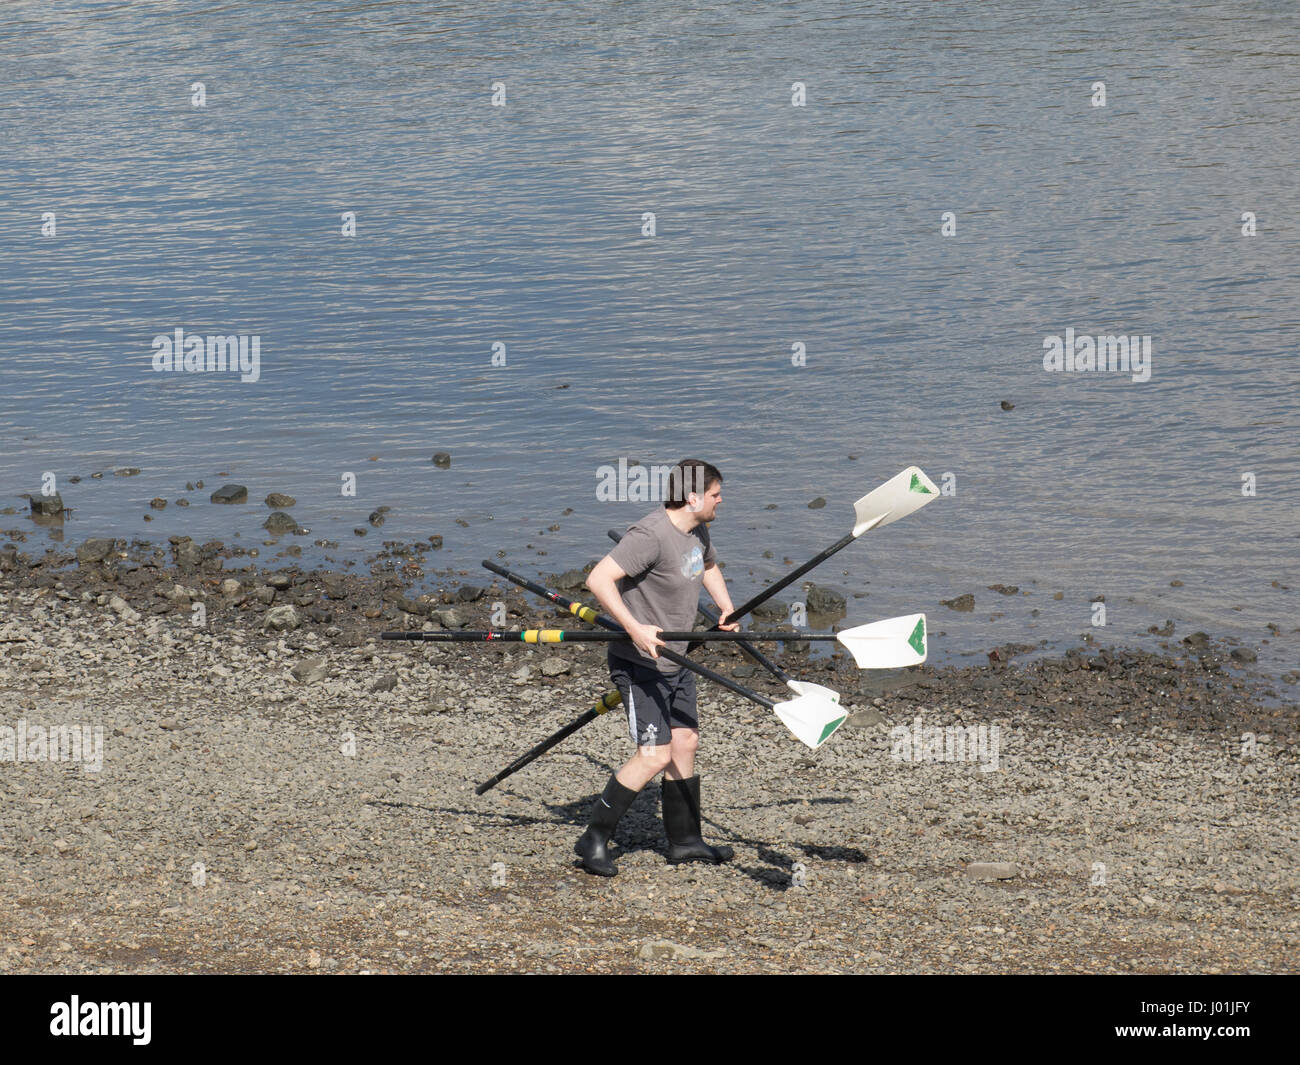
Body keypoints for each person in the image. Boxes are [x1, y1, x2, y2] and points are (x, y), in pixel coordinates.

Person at [574, 458, 740, 876]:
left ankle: (684, 840)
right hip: (641, 662)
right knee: (653, 754)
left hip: (677, 659)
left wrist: (725, 607)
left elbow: (707, 566)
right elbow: (598, 579)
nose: (722, 501)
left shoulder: (697, 530)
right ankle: (593, 839)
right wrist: (634, 628)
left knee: (685, 743)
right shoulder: (649, 534)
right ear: (693, 497)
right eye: (717, 494)